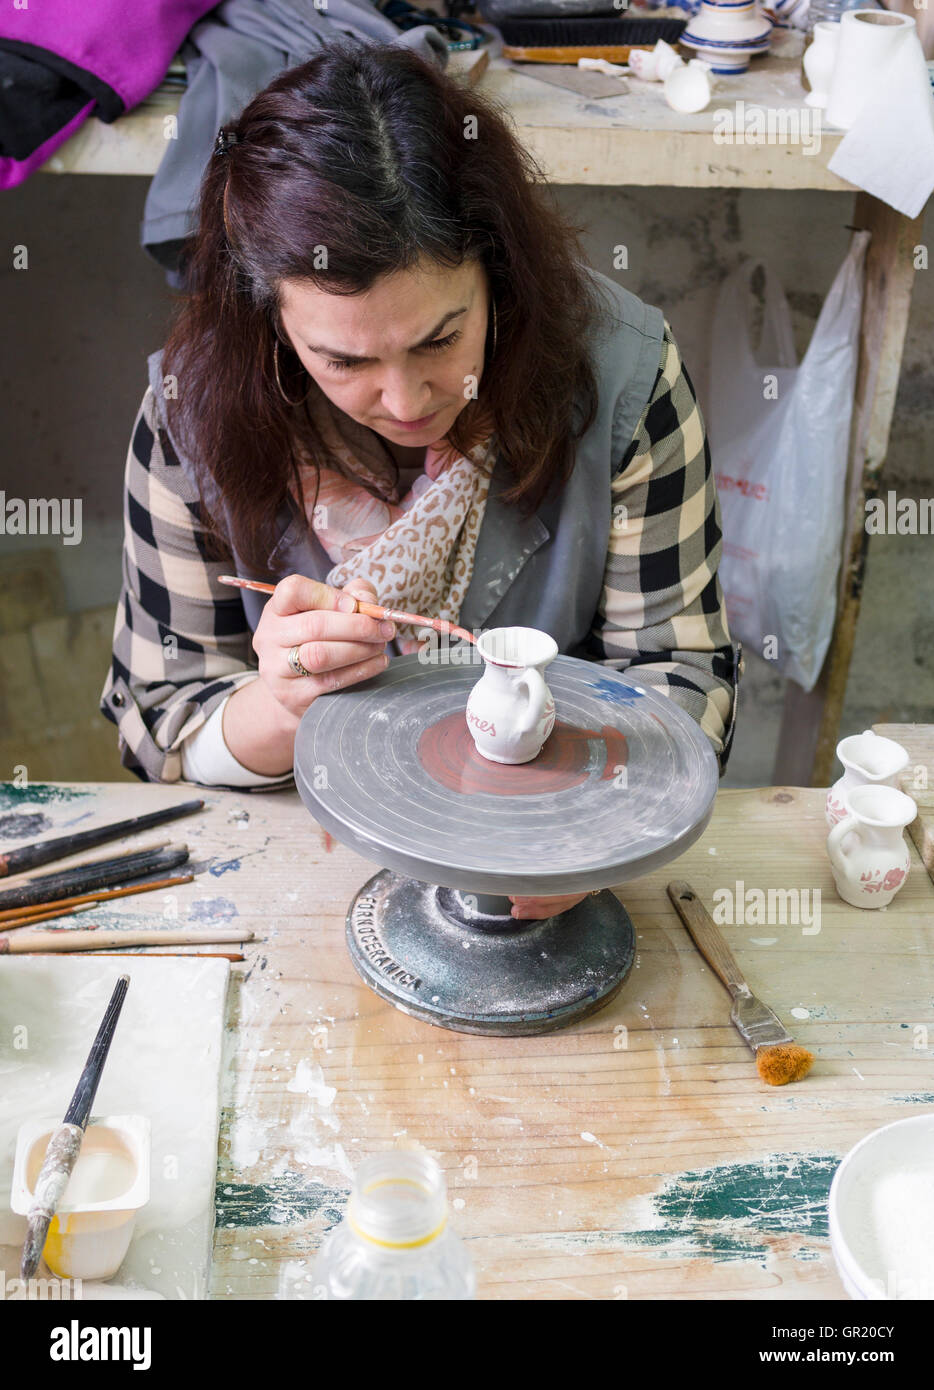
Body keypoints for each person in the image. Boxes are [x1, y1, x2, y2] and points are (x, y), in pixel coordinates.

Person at [101, 39, 737, 922]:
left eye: (441, 339)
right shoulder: (193, 408)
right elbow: (161, 726)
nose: (405, 400)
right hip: (292, 878)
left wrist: (588, 840)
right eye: (344, 358)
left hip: (558, 857)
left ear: (498, 278)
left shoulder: (623, 378)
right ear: (271, 321)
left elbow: (685, 678)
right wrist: (277, 705)